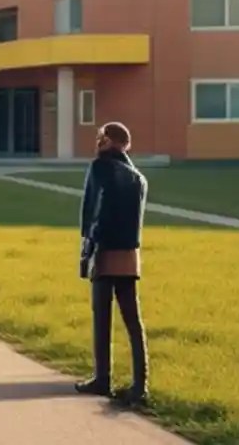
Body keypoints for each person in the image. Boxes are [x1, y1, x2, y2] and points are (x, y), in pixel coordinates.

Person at [75, 121, 150, 408]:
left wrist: (90, 245)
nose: (97, 141)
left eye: (100, 137)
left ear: (108, 140)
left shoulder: (101, 167)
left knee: (101, 317)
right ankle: (140, 384)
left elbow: (97, 208)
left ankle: (102, 378)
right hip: (130, 254)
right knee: (133, 320)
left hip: (105, 251)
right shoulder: (138, 177)